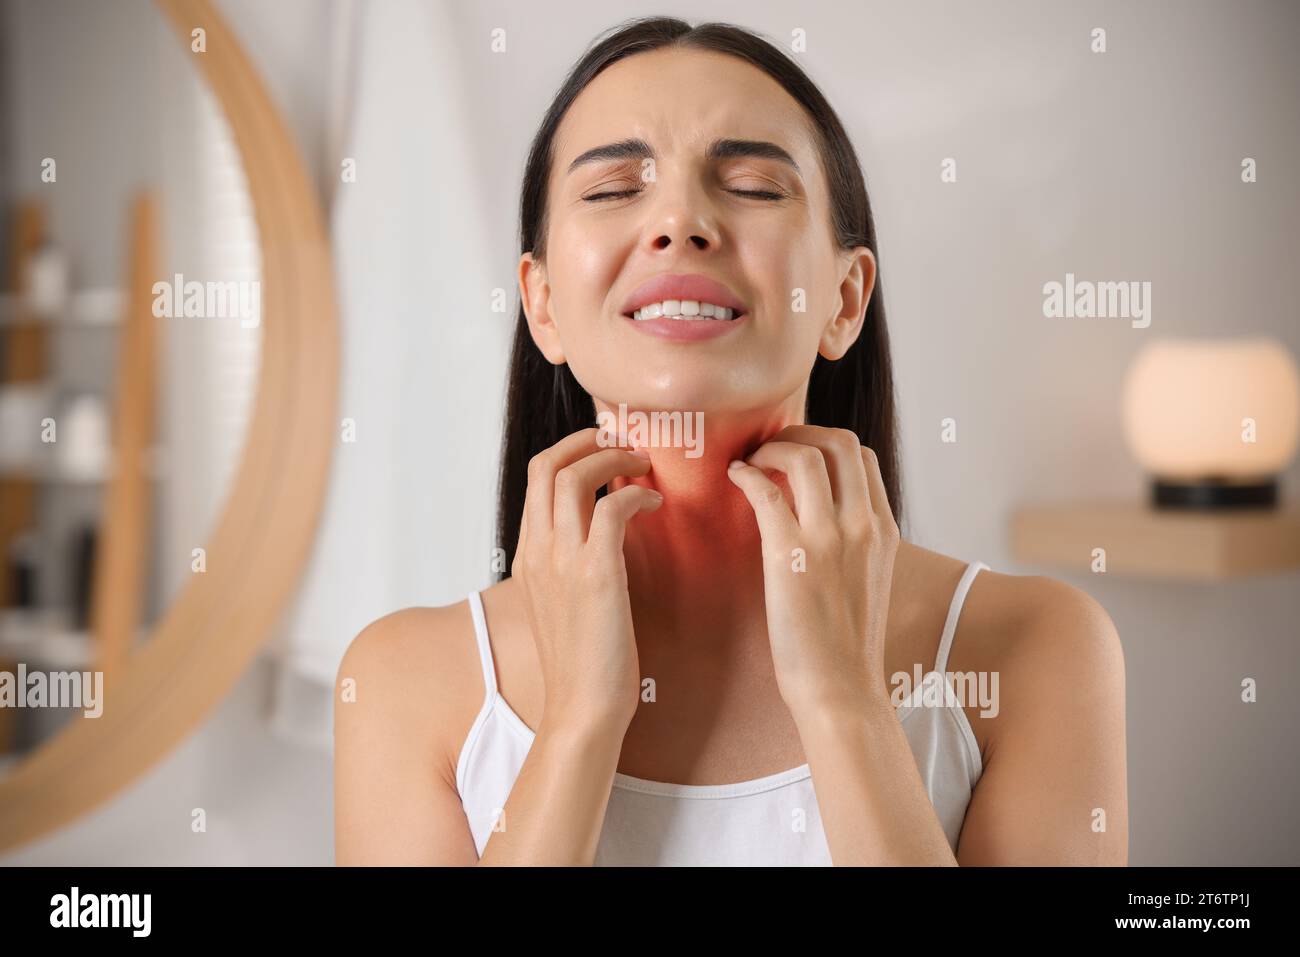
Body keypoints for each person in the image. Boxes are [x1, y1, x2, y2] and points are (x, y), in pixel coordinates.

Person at [334, 16, 1127, 866]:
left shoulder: (1036, 647)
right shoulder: (402, 682)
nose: (680, 221)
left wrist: (845, 702)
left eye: (751, 185)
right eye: (611, 191)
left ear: (845, 299)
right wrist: (578, 721)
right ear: (544, 306)